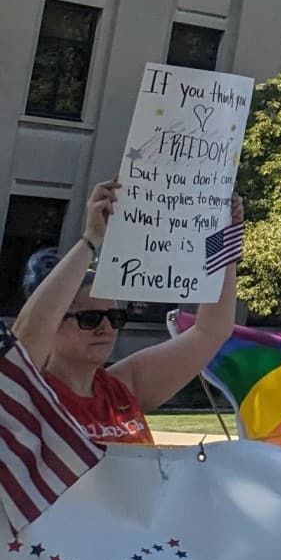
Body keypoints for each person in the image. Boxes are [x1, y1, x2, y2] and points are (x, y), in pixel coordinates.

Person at [13, 182, 243, 444]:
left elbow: (211, 332)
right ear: (53, 323)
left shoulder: (124, 387)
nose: (106, 328)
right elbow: (27, 335)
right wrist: (91, 240)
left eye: (115, 317)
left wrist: (225, 243)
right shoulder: (22, 391)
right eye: (89, 319)